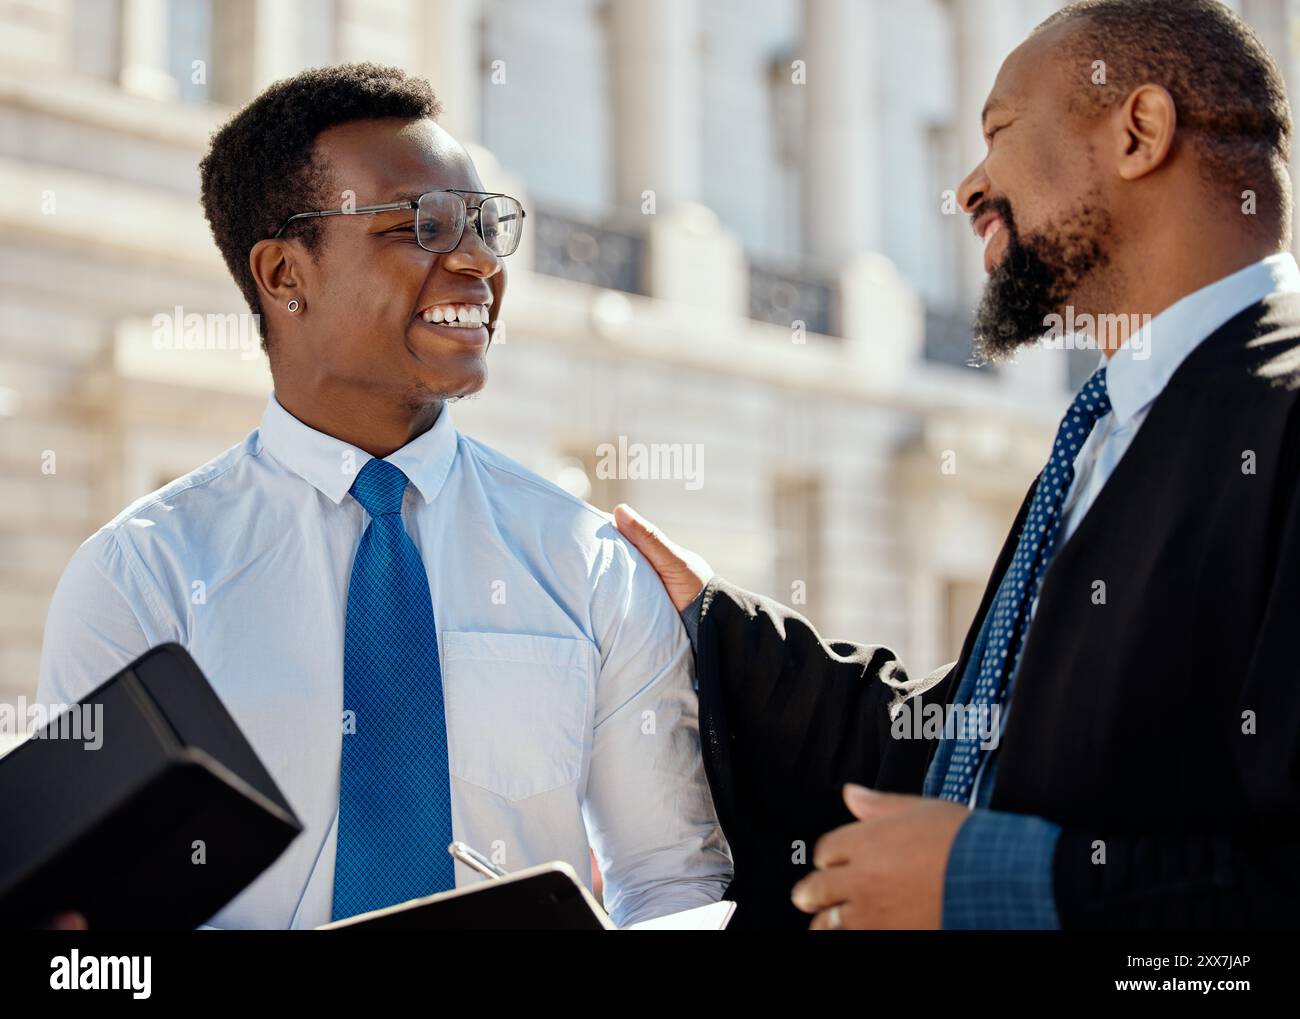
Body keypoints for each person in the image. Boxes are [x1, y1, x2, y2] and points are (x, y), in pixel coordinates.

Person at [616, 0, 1300, 930]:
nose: (968, 187)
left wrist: (1002, 878)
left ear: (1139, 132)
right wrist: (719, 628)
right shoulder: (1107, 427)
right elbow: (966, 743)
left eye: (1001, 131)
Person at [35, 64, 731, 929]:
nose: (478, 262)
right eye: (424, 226)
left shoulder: (588, 565)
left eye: (484, 224)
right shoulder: (139, 575)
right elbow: (99, 929)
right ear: (285, 272)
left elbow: (672, 885)